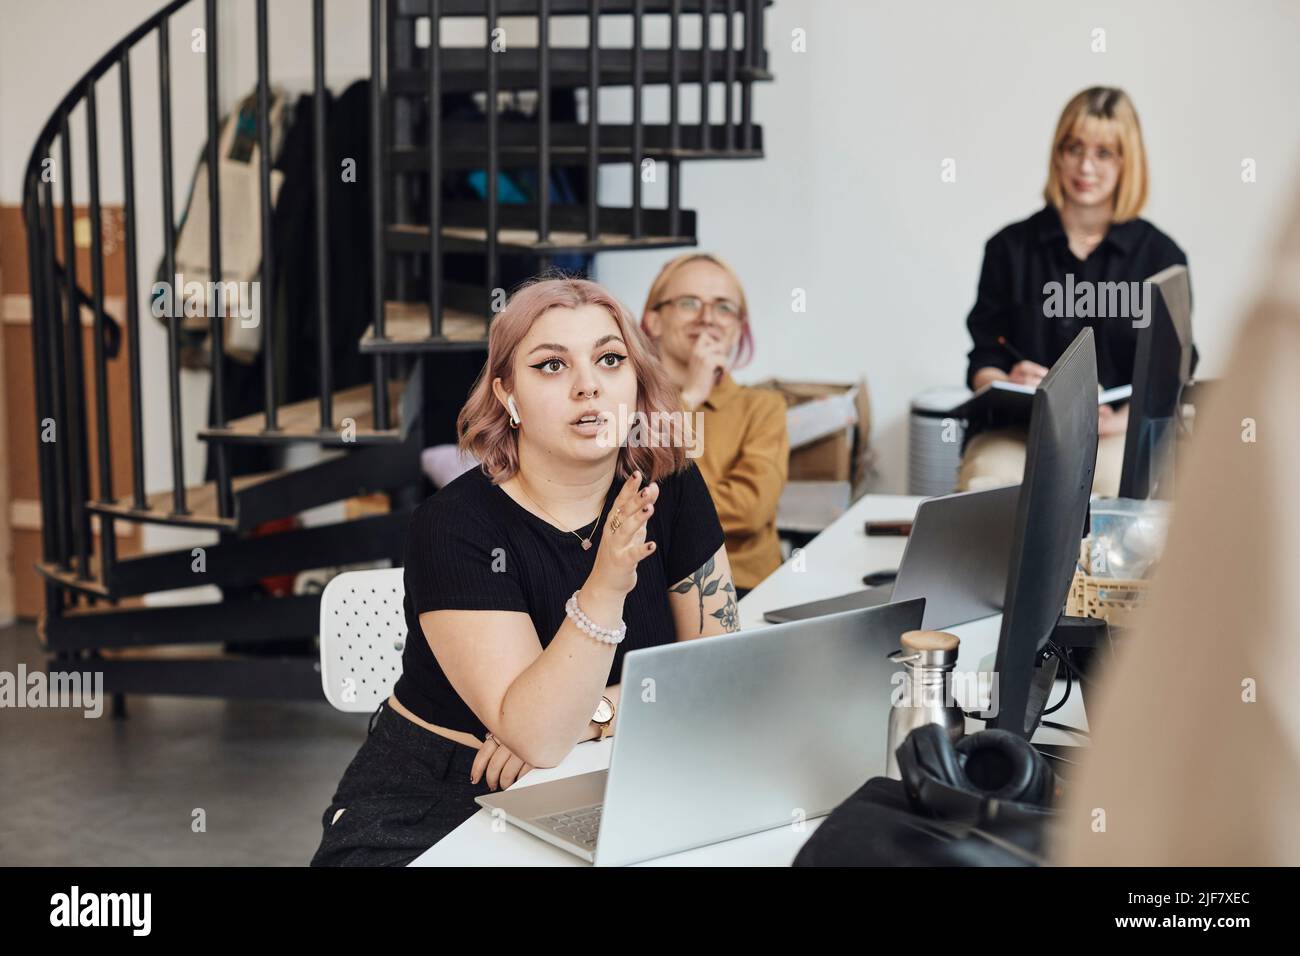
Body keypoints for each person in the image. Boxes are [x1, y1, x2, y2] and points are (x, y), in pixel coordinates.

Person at [311, 277, 738, 867]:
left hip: (618, 770)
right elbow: (538, 737)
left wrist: (594, 716)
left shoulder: (672, 484)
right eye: (552, 366)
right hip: (440, 801)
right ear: (507, 395)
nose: (588, 385)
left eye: (610, 359)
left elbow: (720, 674)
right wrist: (606, 586)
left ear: (636, 382)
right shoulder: (452, 527)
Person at [959, 87, 1192, 496]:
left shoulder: (1162, 258)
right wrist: (1007, 381)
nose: (1085, 166)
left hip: (1114, 433)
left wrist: (1119, 420)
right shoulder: (1008, 248)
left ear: (1127, 162)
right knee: (986, 481)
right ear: (1058, 154)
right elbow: (984, 356)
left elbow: (1174, 369)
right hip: (1019, 433)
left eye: (1104, 153)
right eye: (1074, 149)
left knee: (1113, 489)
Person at [640, 253, 788, 597]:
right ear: (654, 320)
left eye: (723, 308)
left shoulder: (763, 407)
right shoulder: (629, 404)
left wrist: (665, 505)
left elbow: (750, 510)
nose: (707, 318)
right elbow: (627, 501)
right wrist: (689, 397)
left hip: (745, 588)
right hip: (653, 589)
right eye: (689, 303)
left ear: (737, 328)